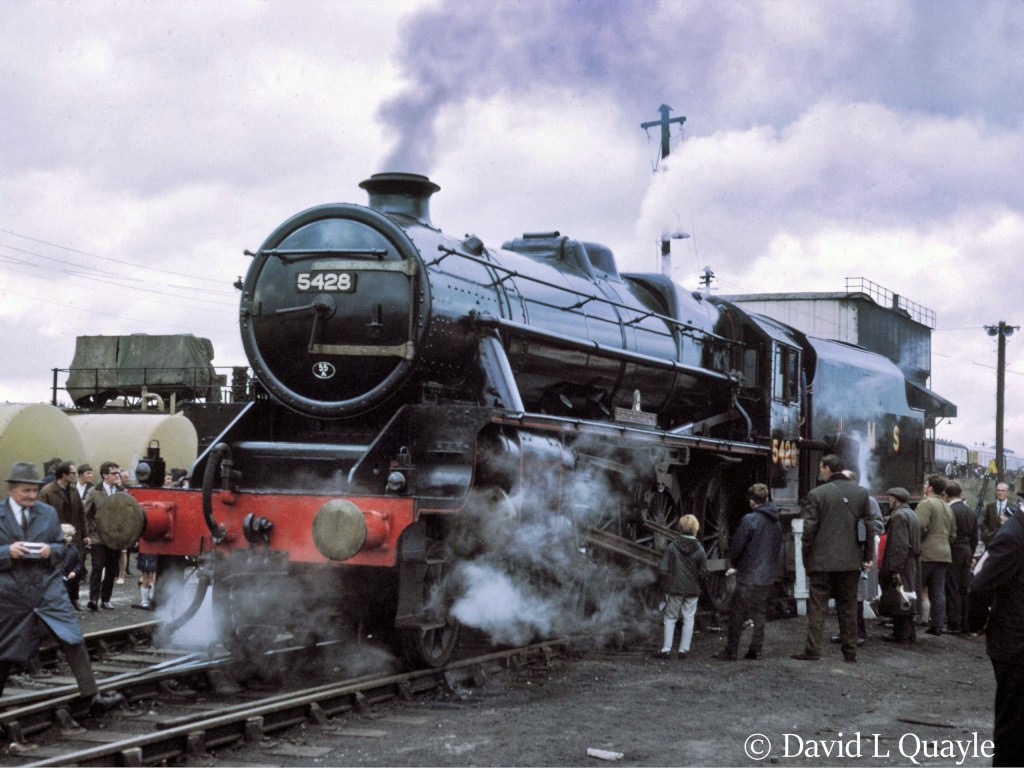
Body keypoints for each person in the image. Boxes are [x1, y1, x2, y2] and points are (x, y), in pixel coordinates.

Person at [1, 461, 124, 713]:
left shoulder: (46, 513)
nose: (32, 496)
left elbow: (60, 546)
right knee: (4, 650)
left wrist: (51, 551)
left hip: (47, 588)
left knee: (72, 637)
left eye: (35, 490)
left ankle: (92, 696)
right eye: (26, 491)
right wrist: (7, 552)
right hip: (11, 592)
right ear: (12, 489)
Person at [792, 454, 875, 663]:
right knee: (848, 607)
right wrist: (867, 557)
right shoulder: (861, 493)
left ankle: (812, 650)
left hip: (821, 562)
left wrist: (807, 557)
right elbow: (869, 527)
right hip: (850, 562)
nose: (820, 472)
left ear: (828, 468)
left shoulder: (817, 494)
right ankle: (850, 652)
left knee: (817, 607)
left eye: (821, 468)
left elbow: (809, 530)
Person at [968, 503, 1024, 766]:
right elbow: (980, 586)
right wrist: (976, 624)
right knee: (1012, 728)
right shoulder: (1013, 535)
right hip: (1015, 645)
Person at [713, 483, 782, 661]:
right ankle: (755, 650)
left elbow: (737, 547)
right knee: (759, 613)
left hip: (748, 574)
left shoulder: (749, 520)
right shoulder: (777, 523)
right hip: (766, 576)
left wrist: (735, 563)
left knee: (737, 613)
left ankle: (730, 651)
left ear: (752, 502)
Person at [655, 514, 707, 661]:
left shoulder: (672, 546)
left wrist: (669, 580)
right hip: (692, 590)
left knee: (670, 617)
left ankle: (666, 649)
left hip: (675, 589)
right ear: (696, 529)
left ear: (679, 528)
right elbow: (704, 572)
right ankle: (683, 650)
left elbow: (663, 568)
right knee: (689, 619)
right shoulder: (700, 549)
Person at [879, 487, 921, 645]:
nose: (889, 501)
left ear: (896, 499)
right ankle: (909, 634)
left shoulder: (899, 516)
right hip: (911, 562)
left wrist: (896, 569)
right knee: (907, 597)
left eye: (890, 498)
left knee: (899, 598)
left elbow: (899, 545)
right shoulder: (911, 513)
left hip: (902, 563)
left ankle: (901, 634)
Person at [916, 474, 955, 636]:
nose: (925, 486)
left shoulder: (926, 504)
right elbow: (953, 534)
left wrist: (919, 543)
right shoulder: (948, 507)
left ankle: (909, 622)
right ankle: (937, 625)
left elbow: (919, 527)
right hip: (944, 553)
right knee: (938, 591)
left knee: (916, 587)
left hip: (927, 553)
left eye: (926, 484)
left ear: (931, 487)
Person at [83, 461, 124, 611]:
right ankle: (93, 599)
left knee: (111, 569)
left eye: (117, 473)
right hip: (98, 538)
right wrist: (88, 532)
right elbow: (84, 513)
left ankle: (106, 599)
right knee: (97, 567)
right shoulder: (94, 492)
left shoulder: (121, 491)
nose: (116, 476)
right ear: (105, 475)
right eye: (114, 473)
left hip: (115, 538)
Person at [945, 481, 978, 634]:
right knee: (964, 588)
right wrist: (970, 553)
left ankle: (954, 623)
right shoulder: (970, 511)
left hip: (953, 552)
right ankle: (966, 623)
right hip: (966, 552)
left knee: (952, 588)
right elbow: (975, 537)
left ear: (947, 495)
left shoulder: (950, 510)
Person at [39, 461, 89, 560]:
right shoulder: (47, 492)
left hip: (75, 538)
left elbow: (81, 513)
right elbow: (42, 518)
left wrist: (85, 535)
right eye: (73, 473)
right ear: (64, 474)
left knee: (77, 568)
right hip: (56, 540)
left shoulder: (74, 490)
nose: (76, 476)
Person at [981, 482, 1014, 549]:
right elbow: (985, 522)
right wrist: (986, 534)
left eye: (1002, 491)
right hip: (991, 542)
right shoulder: (990, 506)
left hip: (1007, 543)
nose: (1000, 492)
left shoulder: (1013, 507)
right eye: (998, 490)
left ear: (1007, 493)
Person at [61, 523, 84, 610]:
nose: (69, 538)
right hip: (60, 575)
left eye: (70, 536)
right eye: (67, 536)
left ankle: (75, 600)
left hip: (71, 574)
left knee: (74, 585)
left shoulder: (74, 550)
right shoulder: (56, 549)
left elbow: (79, 563)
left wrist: (75, 571)